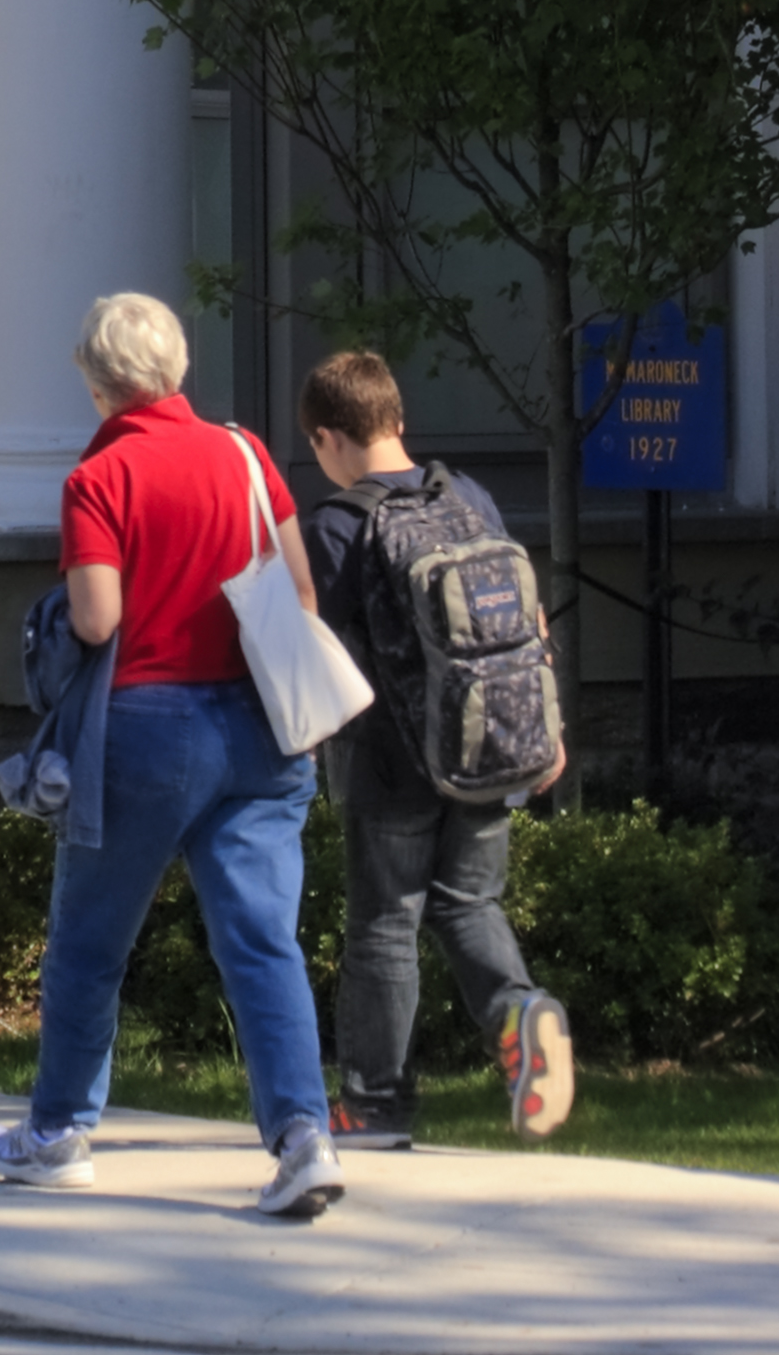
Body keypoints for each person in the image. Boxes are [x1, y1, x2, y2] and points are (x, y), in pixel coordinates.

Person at [0, 290, 345, 1221]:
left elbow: (98, 617)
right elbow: (298, 589)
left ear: (101, 388)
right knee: (263, 940)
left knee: (91, 944)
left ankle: (58, 1131)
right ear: (177, 371)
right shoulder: (246, 452)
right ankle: (303, 1136)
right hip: (262, 725)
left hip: (146, 727)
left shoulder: (99, 479)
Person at [299, 344, 577, 1148]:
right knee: (470, 903)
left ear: (326, 438)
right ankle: (521, 1010)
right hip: (493, 745)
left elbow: (301, 640)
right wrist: (548, 731)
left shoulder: (340, 524)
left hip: (393, 757)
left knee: (386, 922)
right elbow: (525, 626)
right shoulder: (470, 496)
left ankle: (373, 1103)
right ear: (398, 420)